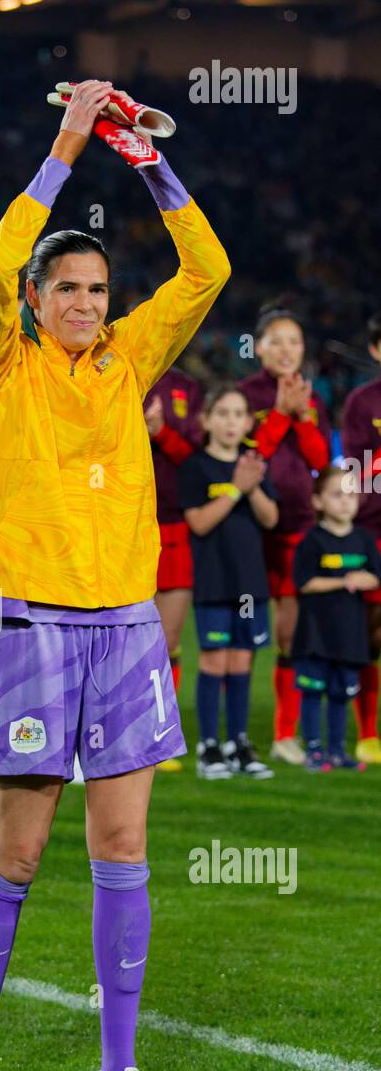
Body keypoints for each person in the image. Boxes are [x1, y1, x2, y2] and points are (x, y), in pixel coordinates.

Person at [0, 79, 230, 1071]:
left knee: (122, 849)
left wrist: (143, 158)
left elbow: (207, 268)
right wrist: (65, 147)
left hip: (121, 626)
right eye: (64, 288)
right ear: (33, 299)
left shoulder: (123, 363)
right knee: (16, 849)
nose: (83, 304)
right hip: (28, 622)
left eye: (95, 290)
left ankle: (116, 1070)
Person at [241, 307, 331, 765]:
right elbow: (248, 455)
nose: (285, 350)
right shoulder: (246, 394)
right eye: (275, 341)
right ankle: (232, 735)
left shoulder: (312, 398)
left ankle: (283, 734)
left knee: (290, 634)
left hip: (298, 530)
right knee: (238, 635)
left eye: (293, 342)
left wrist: (302, 417)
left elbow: (319, 461)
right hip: (251, 530)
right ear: (257, 347)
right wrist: (279, 415)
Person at [179, 384, 278, 779]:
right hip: (215, 585)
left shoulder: (254, 463)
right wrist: (237, 488)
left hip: (249, 587)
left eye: (239, 414)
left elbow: (271, 520)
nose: (231, 421)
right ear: (206, 420)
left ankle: (238, 742)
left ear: (249, 421)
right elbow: (199, 523)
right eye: (222, 413)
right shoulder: (196, 467)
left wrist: (251, 487)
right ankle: (209, 747)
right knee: (214, 662)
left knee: (241, 663)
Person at [292, 466, 381, 770]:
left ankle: (337, 750)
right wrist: (345, 581)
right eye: (337, 495)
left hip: (350, 634)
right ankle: (314, 749)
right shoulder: (312, 541)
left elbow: (375, 576)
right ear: (317, 502)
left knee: (341, 693)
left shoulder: (364, 540)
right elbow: (304, 582)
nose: (345, 502)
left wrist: (363, 578)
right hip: (316, 632)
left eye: (351, 495)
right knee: (313, 691)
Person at [144, 365, 204, 772]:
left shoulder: (188, 388)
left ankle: (160, 732)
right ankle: (118, 727)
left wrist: (160, 432)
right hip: (128, 524)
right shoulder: (120, 372)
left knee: (168, 639)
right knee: (124, 640)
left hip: (178, 527)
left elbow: (197, 460)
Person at [338, 310, 381, 763]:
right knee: (370, 637)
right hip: (373, 533)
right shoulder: (361, 404)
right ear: (375, 349)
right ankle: (368, 732)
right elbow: (355, 470)